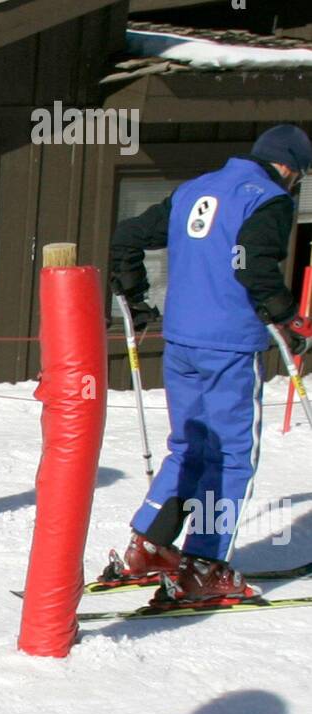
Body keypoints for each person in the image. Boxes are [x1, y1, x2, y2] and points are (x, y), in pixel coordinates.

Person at [106, 123, 312, 603]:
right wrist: (288, 320)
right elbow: (253, 264)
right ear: (288, 168)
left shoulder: (195, 188)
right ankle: (205, 565)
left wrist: (135, 300)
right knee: (231, 456)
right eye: (299, 177)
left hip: (181, 344)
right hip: (229, 347)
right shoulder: (269, 198)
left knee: (188, 447)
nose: (296, 186)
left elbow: (128, 236)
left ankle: (150, 545)